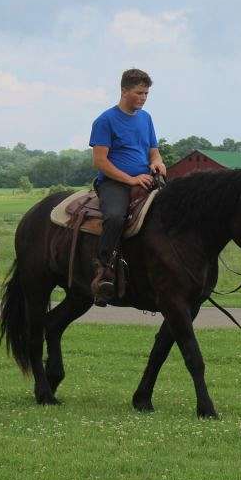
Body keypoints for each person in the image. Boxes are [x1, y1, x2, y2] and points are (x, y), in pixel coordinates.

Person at [88, 68, 166, 305]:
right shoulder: (105, 121)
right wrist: (131, 180)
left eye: (146, 93)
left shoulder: (146, 118)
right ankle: (103, 270)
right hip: (115, 183)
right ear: (124, 91)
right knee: (114, 217)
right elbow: (100, 161)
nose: (143, 98)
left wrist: (157, 162)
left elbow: (153, 151)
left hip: (146, 179)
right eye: (139, 93)